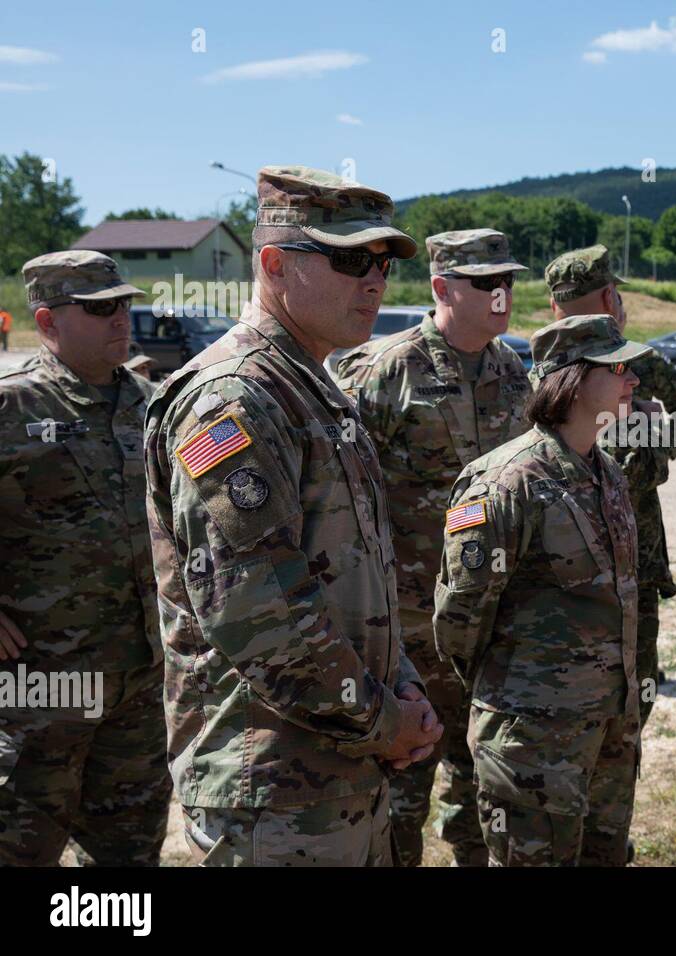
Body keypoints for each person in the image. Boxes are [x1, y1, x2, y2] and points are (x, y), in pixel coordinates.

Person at [143, 166, 440, 866]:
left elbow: (354, 576)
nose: (374, 280)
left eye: (381, 263)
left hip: (341, 762)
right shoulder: (233, 399)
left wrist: (400, 686)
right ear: (274, 264)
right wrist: (383, 719)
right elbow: (261, 610)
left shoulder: (315, 390)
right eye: (347, 259)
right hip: (272, 786)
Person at [335, 228, 532, 867]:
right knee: (401, 789)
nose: (502, 294)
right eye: (486, 283)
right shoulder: (386, 369)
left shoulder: (511, 371)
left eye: (508, 281)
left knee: (485, 773)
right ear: (443, 287)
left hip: (488, 621)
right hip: (406, 627)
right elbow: (341, 496)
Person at [433, 315, 647, 866]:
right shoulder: (505, 483)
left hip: (606, 734)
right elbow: (460, 619)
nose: (634, 380)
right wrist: (509, 699)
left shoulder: (608, 474)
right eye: (618, 367)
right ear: (572, 380)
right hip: (532, 742)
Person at [0, 250, 171, 866]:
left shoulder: (155, 405)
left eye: (125, 304)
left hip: (139, 680)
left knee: (129, 852)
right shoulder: (13, 407)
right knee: (21, 849)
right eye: (100, 309)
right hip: (40, 685)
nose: (121, 318)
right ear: (47, 323)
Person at [545, 244, 676, 729]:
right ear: (612, 297)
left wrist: (648, 445)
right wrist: (650, 444)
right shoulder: (639, 364)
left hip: (562, 563)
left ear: (554, 307)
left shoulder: (534, 365)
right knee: (625, 704)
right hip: (629, 552)